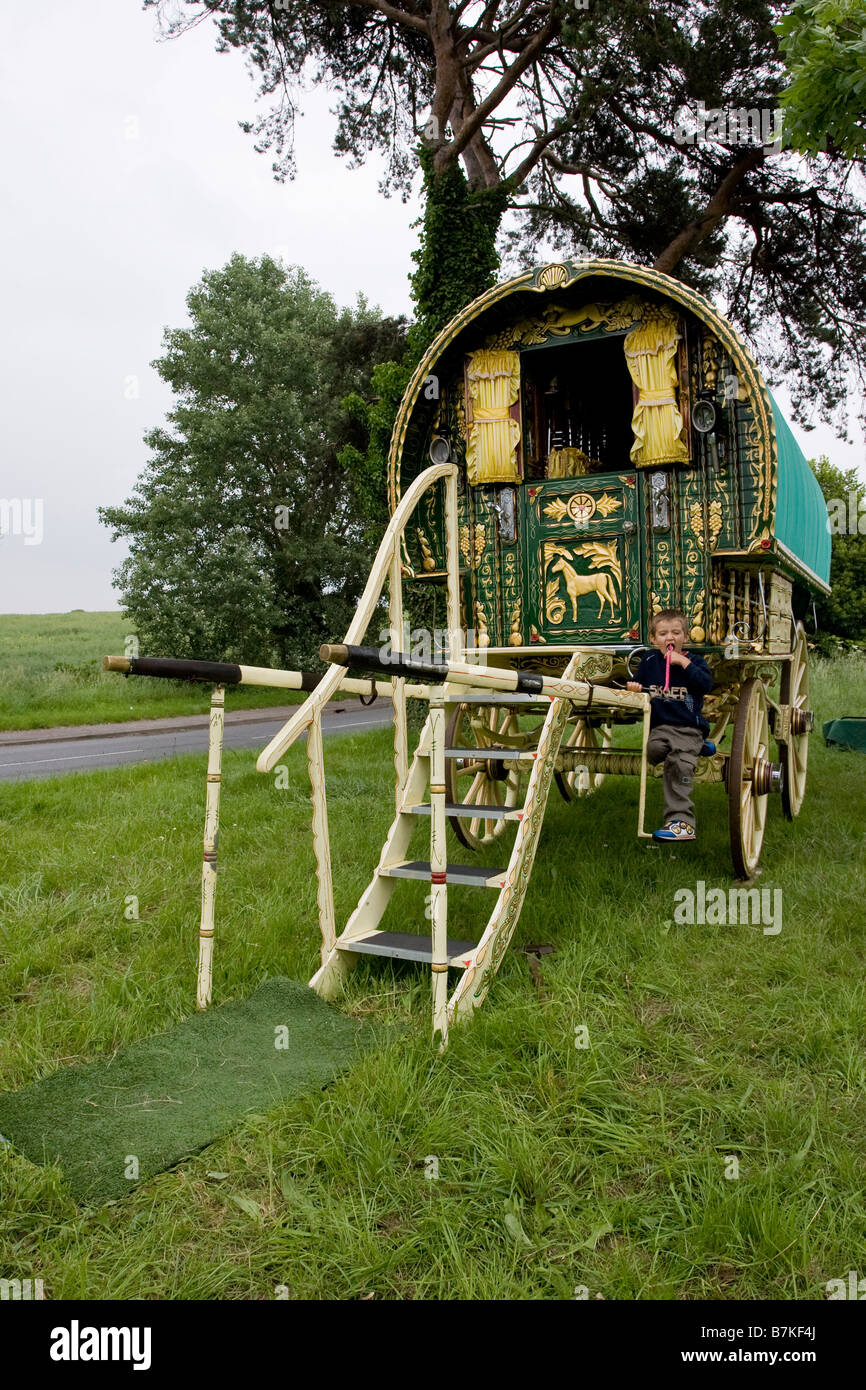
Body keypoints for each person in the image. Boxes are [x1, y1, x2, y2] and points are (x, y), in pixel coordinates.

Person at [626, 610, 714, 843]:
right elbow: (641, 686)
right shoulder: (649, 661)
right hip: (661, 729)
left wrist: (683, 663)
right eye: (663, 633)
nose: (669, 638)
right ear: (654, 639)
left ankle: (681, 822)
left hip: (688, 728)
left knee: (679, 765)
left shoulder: (694, 661)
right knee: (653, 751)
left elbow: (705, 684)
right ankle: (693, 750)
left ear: (685, 636)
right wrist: (634, 688)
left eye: (676, 632)